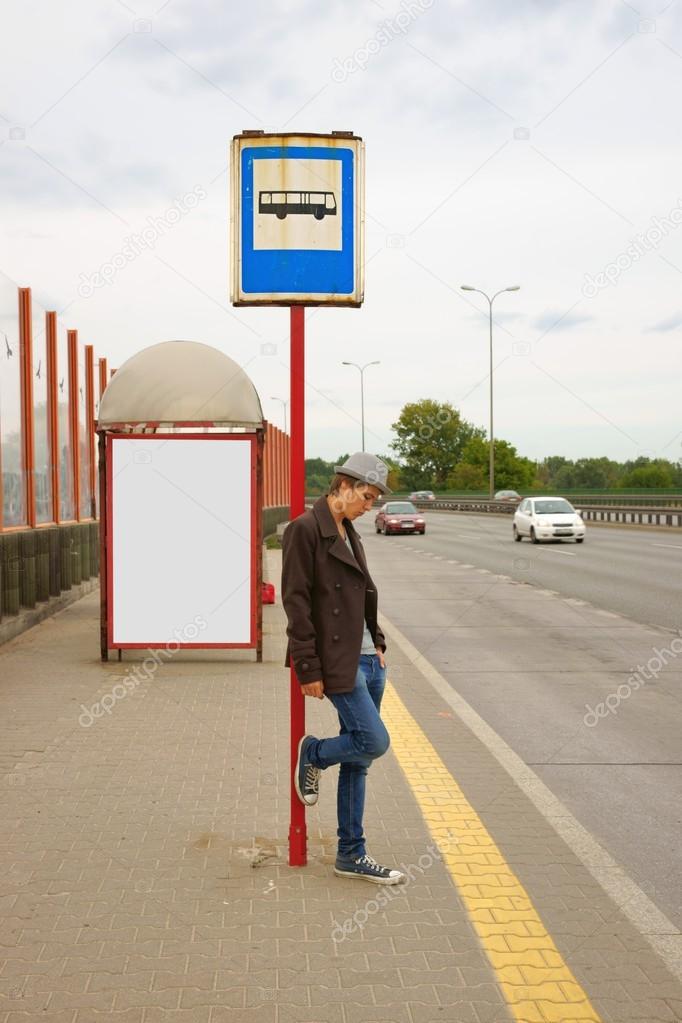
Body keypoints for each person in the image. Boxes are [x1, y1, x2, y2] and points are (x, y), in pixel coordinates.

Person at [281, 452, 406, 885]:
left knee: (360, 759)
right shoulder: (304, 530)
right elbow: (296, 601)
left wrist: (380, 641)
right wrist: (307, 666)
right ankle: (313, 753)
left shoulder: (351, 531)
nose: (369, 505)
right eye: (367, 497)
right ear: (344, 486)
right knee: (373, 741)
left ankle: (351, 854)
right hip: (338, 661)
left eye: (373, 499)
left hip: (370, 659)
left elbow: (365, 593)